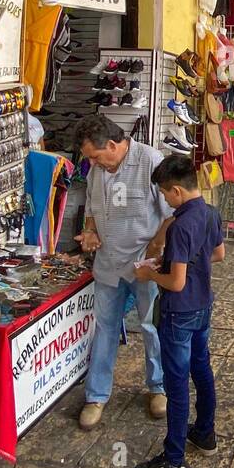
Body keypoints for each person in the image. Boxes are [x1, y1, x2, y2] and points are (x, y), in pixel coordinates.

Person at [129, 155, 224, 468]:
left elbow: (176, 282)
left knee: (177, 383)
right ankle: (205, 433)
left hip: (179, 312)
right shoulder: (211, 213)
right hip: (202, 306)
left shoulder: (181, 224)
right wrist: (173, 260)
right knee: (202, 369)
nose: (165, 201)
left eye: (165, 194)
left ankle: (173, 461)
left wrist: (150, 274)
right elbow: (218, 253)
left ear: (176, 191)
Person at [73, 114, 171, 431]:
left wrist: (156, 250)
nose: (93, 163)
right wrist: (90, 232)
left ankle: (159, 388)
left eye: (95, 157)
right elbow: (91, 207)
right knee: (104, 329)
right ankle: (96, 395)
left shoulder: (151, 162)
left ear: (113, 145)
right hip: (108, 264)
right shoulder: (97, 170)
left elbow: (172, 215)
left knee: (152, 327)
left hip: (145, 265)